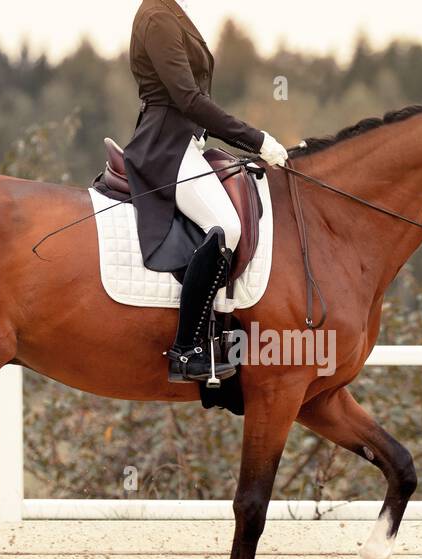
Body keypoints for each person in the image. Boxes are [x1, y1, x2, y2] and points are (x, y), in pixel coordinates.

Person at [125, 0, 289, 383]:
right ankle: (187, 347)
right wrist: (256, 140)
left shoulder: (170, 12)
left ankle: (223, 328)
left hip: (185, 142)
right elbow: (188, 99)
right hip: (165, 145)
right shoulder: (157, 18)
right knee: (226, 227)